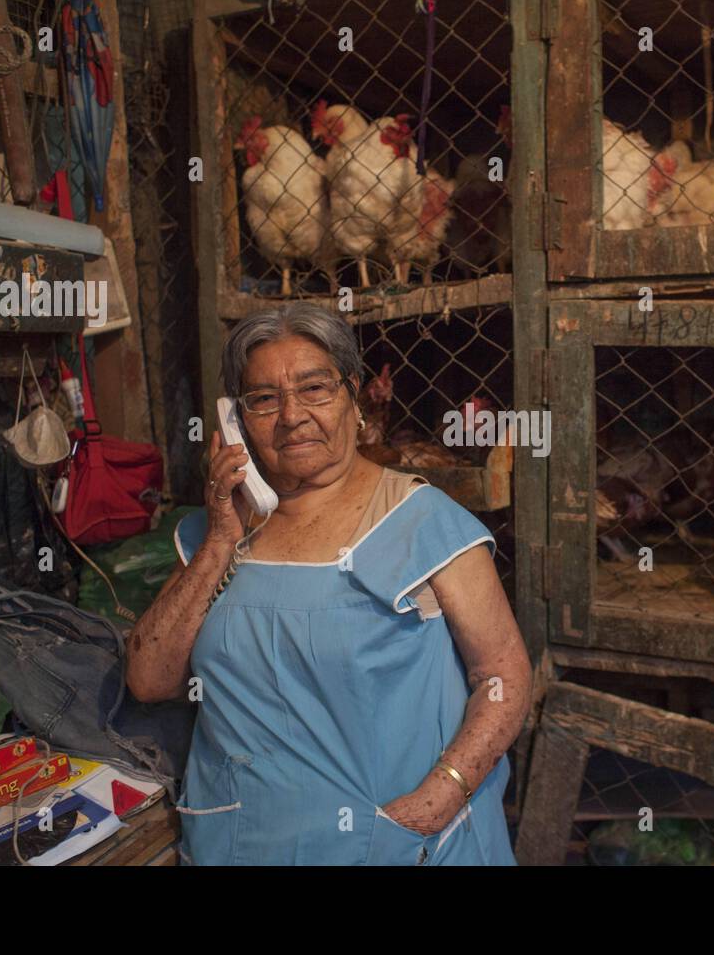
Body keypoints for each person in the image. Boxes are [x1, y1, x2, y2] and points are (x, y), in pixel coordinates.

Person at [126, 304, 530, 865]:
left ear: (353, 397)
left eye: (315, 388)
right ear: (235, 419)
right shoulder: (212, 536)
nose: (292, 416)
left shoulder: (423, 522)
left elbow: (503, 675)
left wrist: (437, 801)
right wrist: (221, 540)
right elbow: (150, 680)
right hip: (241, 843)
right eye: (263, 399)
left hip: (398, 843)